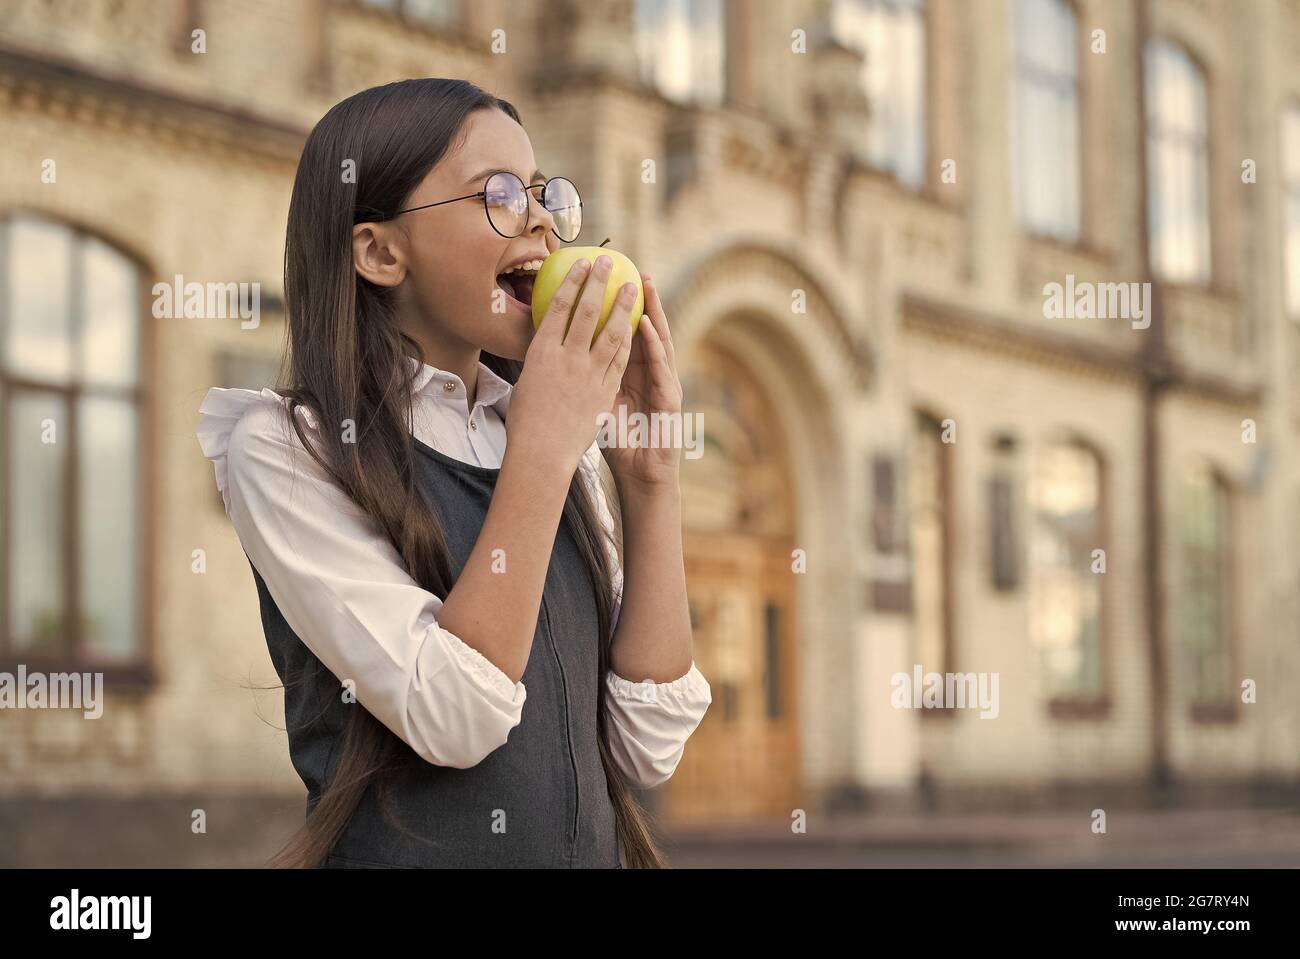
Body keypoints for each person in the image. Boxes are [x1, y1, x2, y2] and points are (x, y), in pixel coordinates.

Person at [196, 78, 710, 868]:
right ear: (378, 250)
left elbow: (646, 746)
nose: (539, 218)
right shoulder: (284, 447)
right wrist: (545, 444)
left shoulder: (549, 435)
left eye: (543, 193)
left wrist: (648, 478)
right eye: (497, 194)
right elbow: (454, 713)